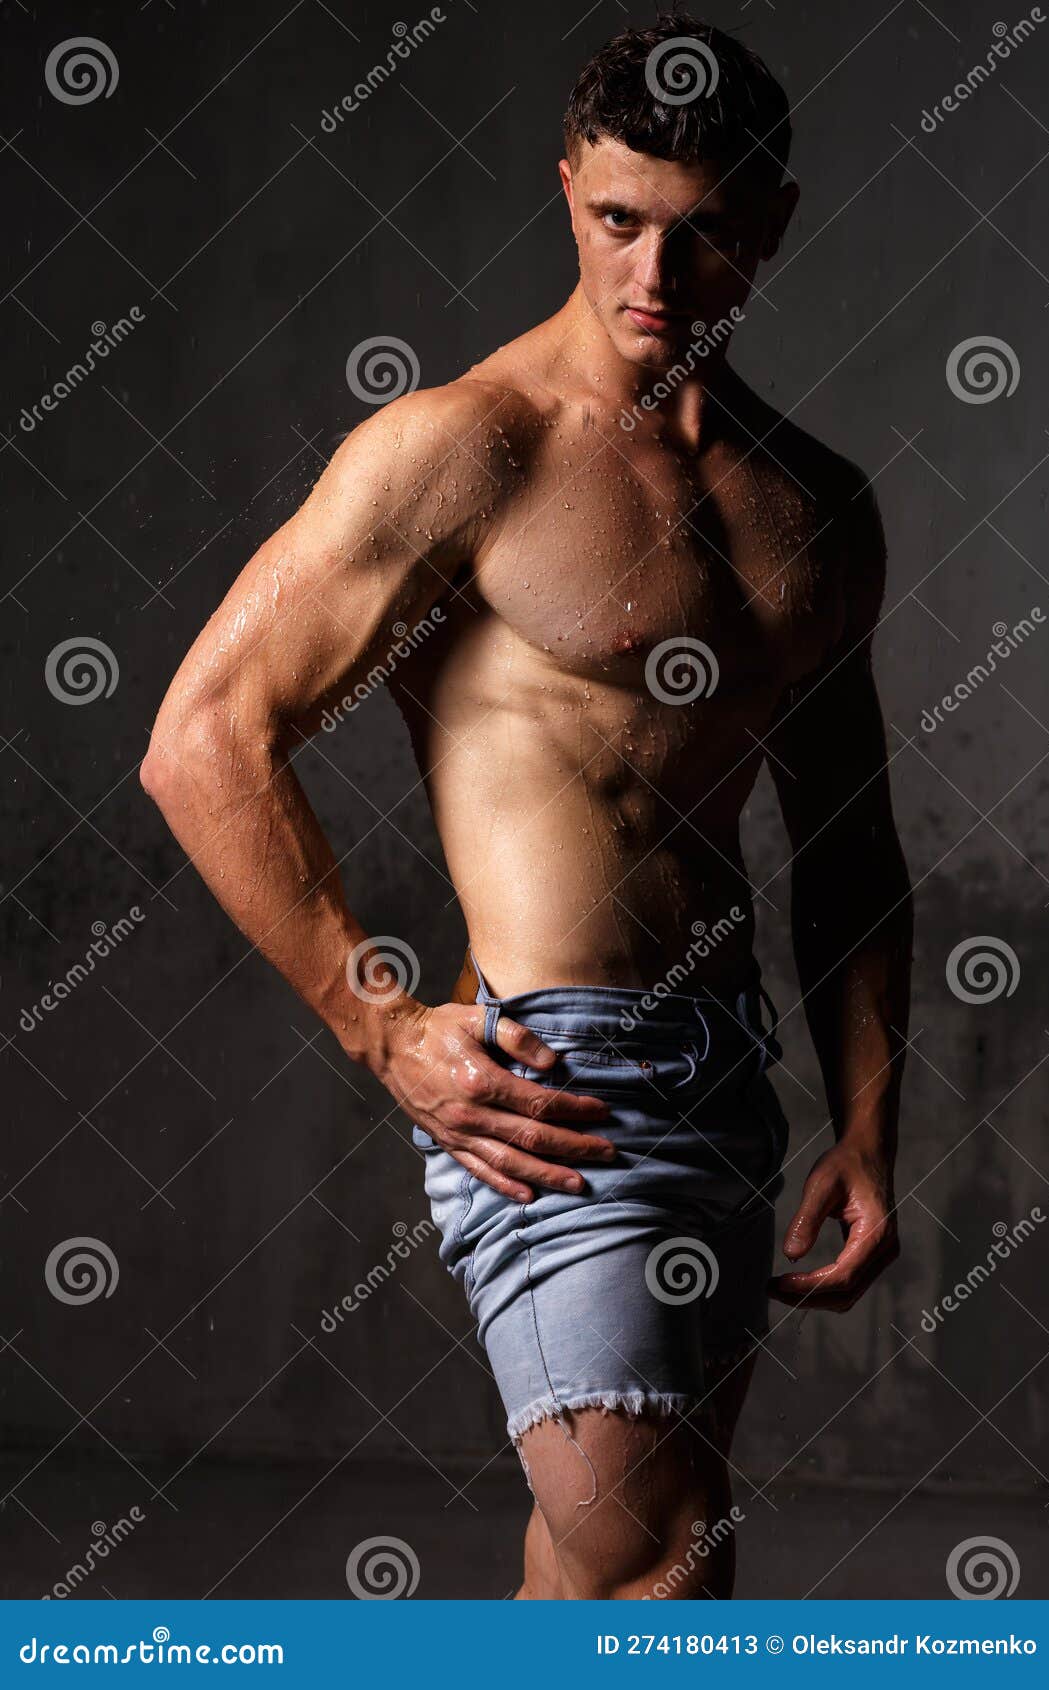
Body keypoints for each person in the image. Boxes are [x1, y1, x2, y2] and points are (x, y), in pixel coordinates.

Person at [141, 12, 912, 1600]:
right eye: (614, 220)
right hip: (556, 1089)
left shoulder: (812, 503)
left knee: (588, 1571)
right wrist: (380, 1022)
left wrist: (866, 1124)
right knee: (657, 1567)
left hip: (727, 1078)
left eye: (697, 238)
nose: (649, 275)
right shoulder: (463, 449)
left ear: (765, 225)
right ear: (566, 188)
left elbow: (847, 837)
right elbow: (203, 737)